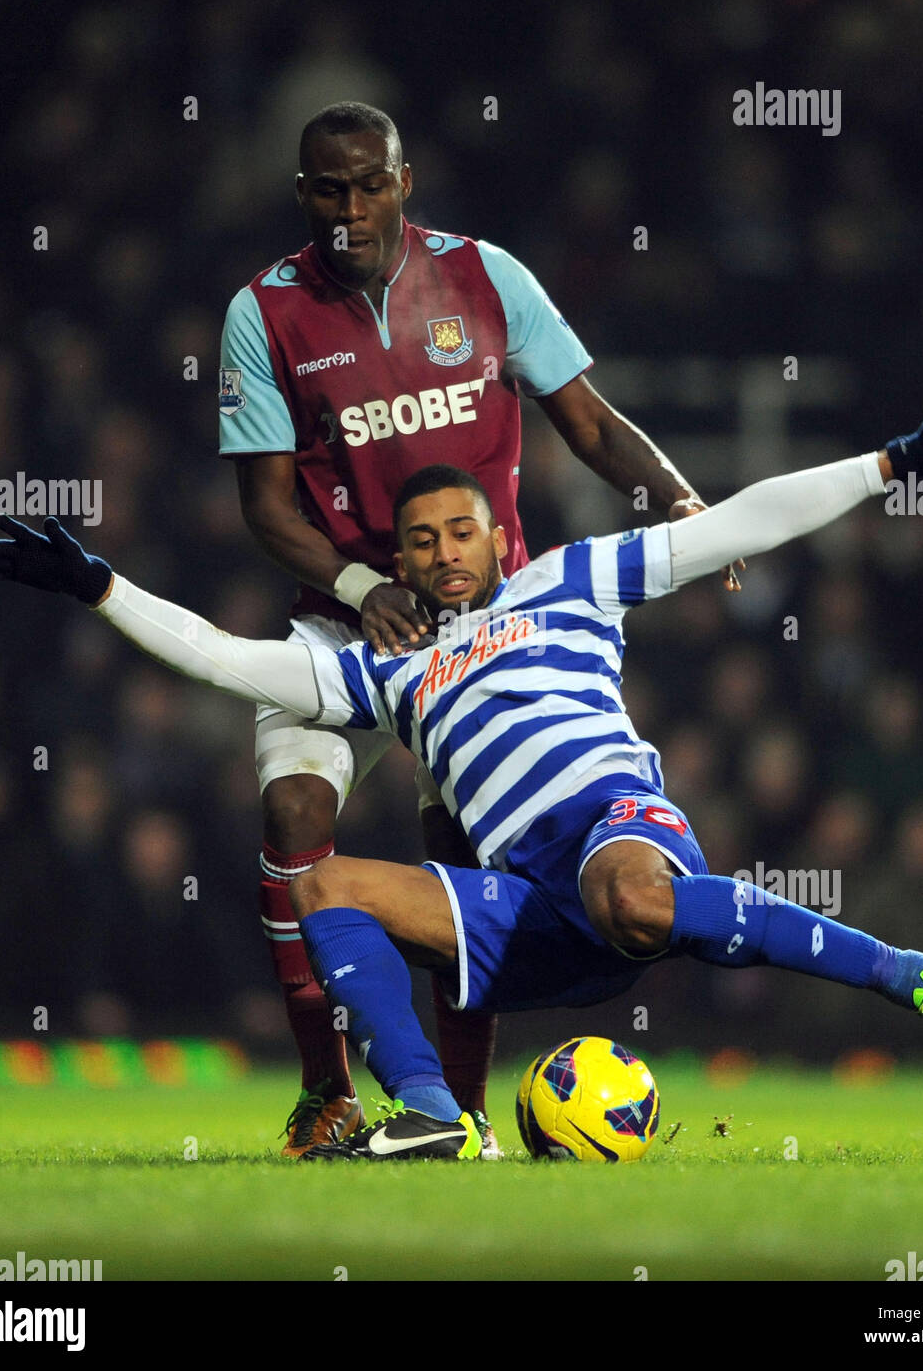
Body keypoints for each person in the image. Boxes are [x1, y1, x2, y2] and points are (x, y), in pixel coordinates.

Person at [0, 391, 923, 1163]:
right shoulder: (384, 668)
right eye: (420, 540)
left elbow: (735, 523)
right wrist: (97, 584)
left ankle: (920, 977)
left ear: (493, 535)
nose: (442, 552)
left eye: (460, 532)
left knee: (626, 892)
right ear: (399, 559)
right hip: (525, 901)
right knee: (320, 884)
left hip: (614, 832)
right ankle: (436, 1113)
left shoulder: (568, 579)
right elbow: (223, 656)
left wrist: (892, 461)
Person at [219, 100, 741, 1155]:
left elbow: (588, 420)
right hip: (340, 625)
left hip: (480, 634)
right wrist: (364, 581)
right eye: (328, 188)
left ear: (405, 180)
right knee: (289, 813)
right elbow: (268, 508)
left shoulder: (487, 278)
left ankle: (450, 1109)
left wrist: (685, 502)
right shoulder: (263, 312)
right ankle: (325, 1088)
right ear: (302, 194)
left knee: (457, 862)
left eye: (370, 184)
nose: (350, 209)